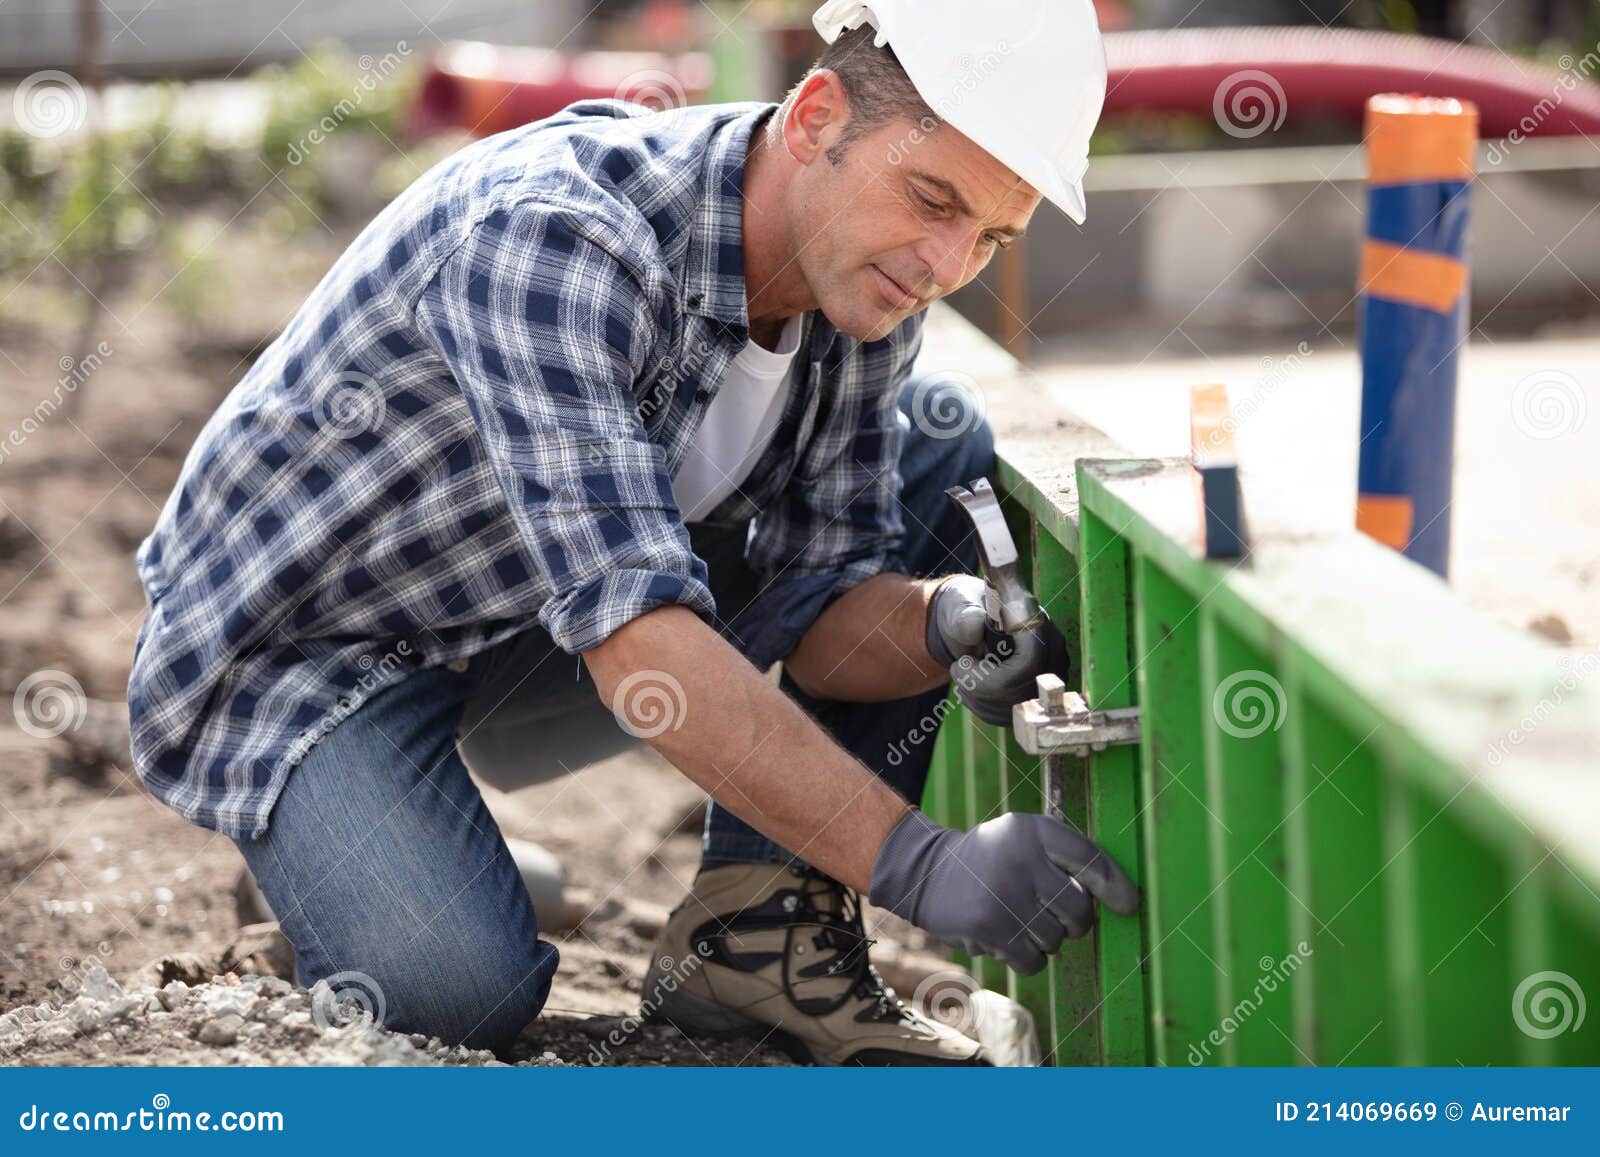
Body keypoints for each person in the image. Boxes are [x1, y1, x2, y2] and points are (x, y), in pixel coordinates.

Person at [128, 0, 1138, 1065]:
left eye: (989, 234)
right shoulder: (556, 236)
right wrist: (920, 864)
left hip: (515, 623)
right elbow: (640, 644)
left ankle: (756, 935)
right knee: (456, 991)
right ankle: (342, 838)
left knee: (940, 440)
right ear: (816, 117)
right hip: (307, 653)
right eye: (931, 198)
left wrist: (946, 620)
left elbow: (823, 607)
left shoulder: (864, 281)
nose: (944, 261)